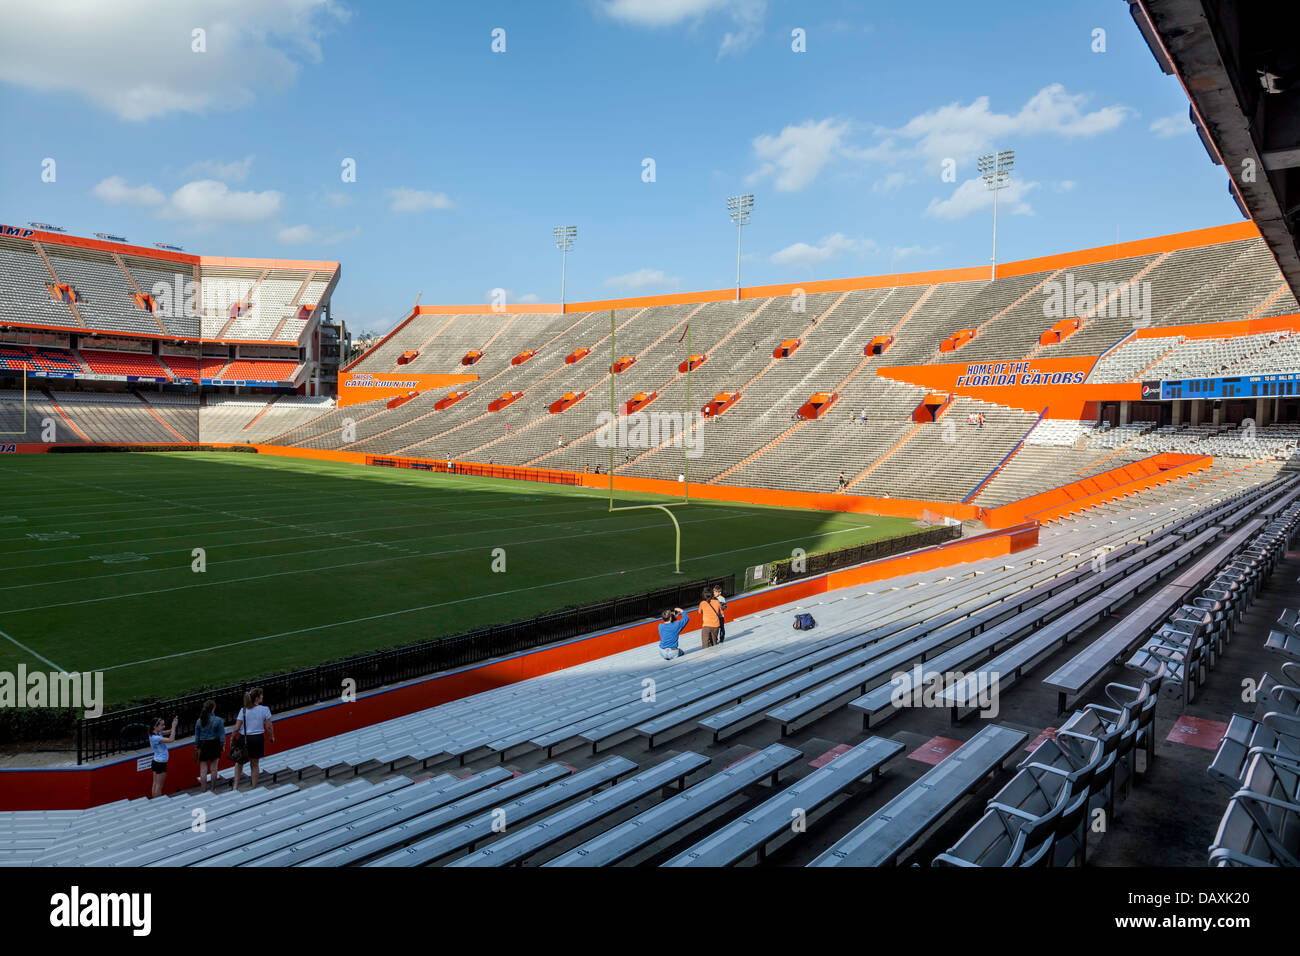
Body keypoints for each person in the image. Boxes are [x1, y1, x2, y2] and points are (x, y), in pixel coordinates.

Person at [230, 688, 274, 792]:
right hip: (258, 738)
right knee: (254, 764)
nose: (262, 697)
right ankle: (253, 787)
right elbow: (269, 727)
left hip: (244, 738)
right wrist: (271, 736)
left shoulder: (243, 710)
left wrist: (232, 738)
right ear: (257, 698)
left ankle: (235, 786)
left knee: (239, 763)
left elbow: (236, 727)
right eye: (261, 695)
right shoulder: (265, 709)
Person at [194, 700, 225, 794]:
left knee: (203, 770)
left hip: (202, 745)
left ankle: (203, 790)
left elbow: (196, 736)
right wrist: (222, 745)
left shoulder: (199, 721)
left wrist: (196, 746)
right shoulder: (218, 720)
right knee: (214, 769)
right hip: (214, 744)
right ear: (213, 708)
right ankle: (212, 788)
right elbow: (221, 735)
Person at [149, 715, 178, 798]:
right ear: (155, 726)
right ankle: (158, 802)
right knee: (158, 786)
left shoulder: (156, 733)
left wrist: (174, 724)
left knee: (155, 784)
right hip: (160, 763)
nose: (164, 726)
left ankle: (155, 801)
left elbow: (169, 732)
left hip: (156, 762)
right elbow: (171, 739)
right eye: (162, 725)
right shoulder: (155, 737)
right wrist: (174, 726)